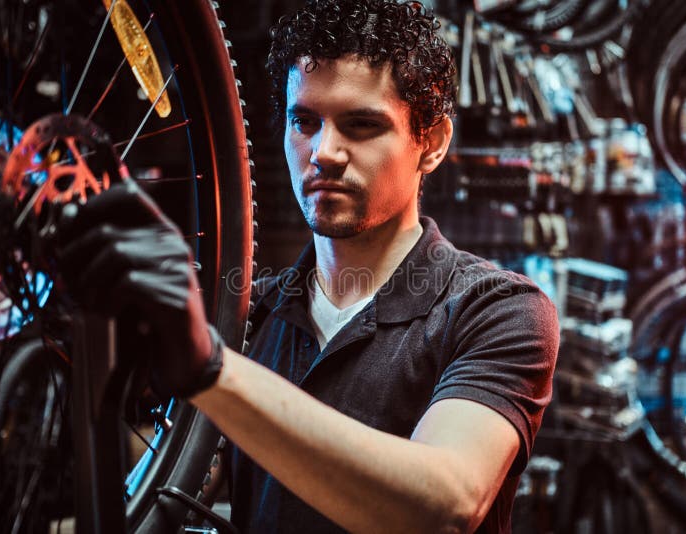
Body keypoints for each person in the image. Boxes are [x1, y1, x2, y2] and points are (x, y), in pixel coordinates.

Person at [57, 1, 559, 532]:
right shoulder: (255, 313)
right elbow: (178, 485)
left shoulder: (497, 311)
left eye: (362, 124)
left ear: (430, 143)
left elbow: (444, 506)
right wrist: (99, 356)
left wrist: (212, 370)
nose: (323, 152)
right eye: (305, 121)